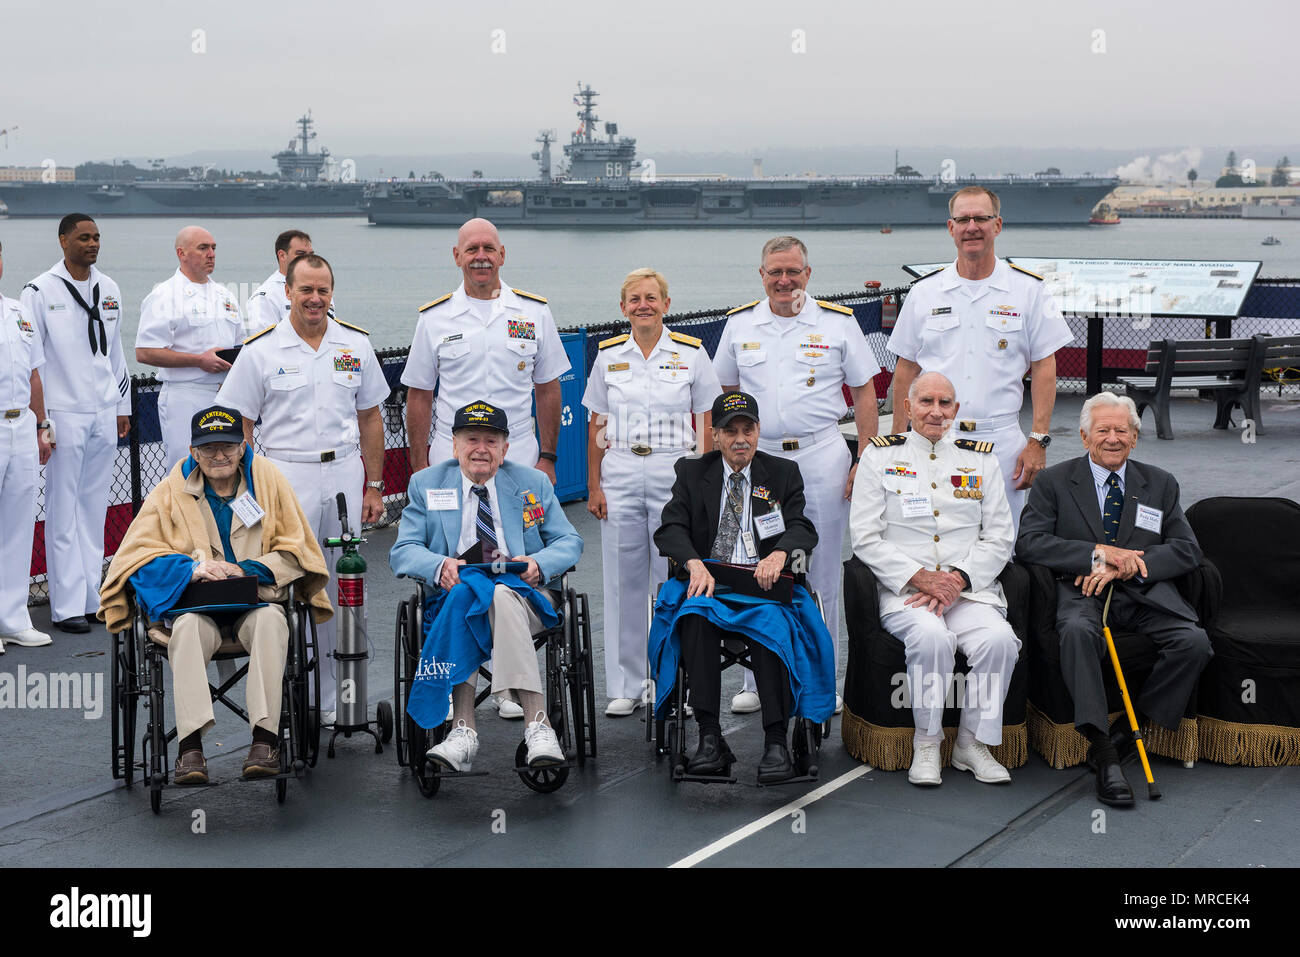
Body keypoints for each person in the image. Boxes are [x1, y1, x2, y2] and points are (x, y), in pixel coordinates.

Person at [99, 406, 332, 784]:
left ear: (243, 447)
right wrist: (190, 569)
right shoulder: (170, 490)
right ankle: (189, 749)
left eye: (227, 446)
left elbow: (298, 548)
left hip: (255, 601)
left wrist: (248, 570)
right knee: (188, 627)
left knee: (273, 623)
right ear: (193, 451)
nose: (219, 456)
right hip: (197, 606)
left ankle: (264, 741)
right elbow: (134, 557)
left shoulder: (268, 480)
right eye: (209, 449)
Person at [216, 254, 389, 723]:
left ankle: (342, 699)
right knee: (287, 585)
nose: (315, 299)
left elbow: (371, 416)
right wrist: (246, 488)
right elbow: (239, 425)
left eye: (323, 290)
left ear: (333, 293)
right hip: (284, 477)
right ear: (287, 292)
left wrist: (374, 486)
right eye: (306, 290)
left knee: (345, 584)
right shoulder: (260, 350)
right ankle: (294, 696)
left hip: (344, 476)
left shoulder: (355, 343)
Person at [1016, 392, 1212, 807]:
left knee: (1193, 643)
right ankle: (1105, 752)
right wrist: (1098, 554)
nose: (1112, 438)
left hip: (1145, 593)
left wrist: (1131, 564)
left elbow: (1186, 549)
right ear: (1085, 436)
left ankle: (1131, 727)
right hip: (1082, 590)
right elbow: (1030, 544)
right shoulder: (1054, 482)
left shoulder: (1160, 483)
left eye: (1121, 430)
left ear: (1135, 438)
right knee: (1075, 632)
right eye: (1102, 430)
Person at [713, 235, 880, 715]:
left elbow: (865, 393)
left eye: (793, 271)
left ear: (808, 273)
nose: (783, 280)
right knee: (748, 561)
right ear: (760, 274)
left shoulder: (838, 323)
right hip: (756, 458)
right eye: (774, 272)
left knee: (820, 569)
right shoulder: (740, 325)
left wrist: (864, 459)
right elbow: (727, 390)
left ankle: (819, 679)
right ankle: (752, 677)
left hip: (820, 453)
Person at [390, 401, 584, 771]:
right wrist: (439, 564)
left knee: (489, 592)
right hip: (456, 594)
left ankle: (464, 730)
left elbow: (569, 541)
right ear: (454, 445)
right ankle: (537, 725)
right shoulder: (427, 484)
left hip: (527, 598)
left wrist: (539, 562)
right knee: (476, 592)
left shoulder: (532, 484)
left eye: (491, 441)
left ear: (505, 449)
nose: (481, 448)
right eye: (472, 439)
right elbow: (403, 551)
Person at [651, 391, 834, 783]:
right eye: (729, 431)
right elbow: (670, 528)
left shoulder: (783, 473)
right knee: (694, 616)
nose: (740, 439)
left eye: (747, 429)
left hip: (760, 582)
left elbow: (802, 526)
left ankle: (775, 743)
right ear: (714, 436)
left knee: (768, 622)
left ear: (758, 431)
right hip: (711, 581)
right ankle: (710, 739)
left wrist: (780, 554)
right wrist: (694, 562)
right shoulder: (691, 472)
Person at [849, 371, 1019, 786]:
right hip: (906, 590)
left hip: (967, 591)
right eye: (926, 402)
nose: (936, 412)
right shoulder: (880, 456)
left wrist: (959, 579)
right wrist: (919, 576)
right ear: (907, 408)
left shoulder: (979, 458)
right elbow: (864, 537)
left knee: (999, 641)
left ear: (956, 410)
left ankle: (970, 744)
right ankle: (927, 743)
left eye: (945, 404)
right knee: (932, 638)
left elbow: (1000, 536)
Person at [886, 186, 1073, 531]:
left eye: (981, 218)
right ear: (950, 227)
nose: (972, 226)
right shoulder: (924, 293)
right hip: (934, 438)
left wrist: (1038, 440)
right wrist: (899, 439)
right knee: (934, 537)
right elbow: (907, 369)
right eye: (963, 219)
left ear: (997, 225)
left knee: (1007, 541)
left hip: (1001, 443)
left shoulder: (1029, 290)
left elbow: (1045, 366)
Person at [583, 268, 720, 717]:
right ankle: (625, 683)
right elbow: (597, 424)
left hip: (672, 470)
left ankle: (669, 681)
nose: (643, 305)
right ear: (623, 308)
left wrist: (702, 484)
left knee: (671, 578)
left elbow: (705, 421)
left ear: (666, 303)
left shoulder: (692, 354)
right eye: (634, 299)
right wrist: (594, 484)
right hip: (621, 467)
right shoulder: (607, 357)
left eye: (651, 297)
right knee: (622, 579)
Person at [20, 214, 131, 634]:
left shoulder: (110, 288)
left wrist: (122, 406)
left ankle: (92, 597)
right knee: (63, 510)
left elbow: (115, 352)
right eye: (84, 237)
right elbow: (36, 362)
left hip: (103, 411)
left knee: (93, 508)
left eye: (97, 237)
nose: (93, 243)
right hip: (63, 412)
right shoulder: (39, 290)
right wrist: (41, 420)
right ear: (63, 240)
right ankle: (66, 606)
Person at [401, 217, 569, 483]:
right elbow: (419, 394)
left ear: (502, 255)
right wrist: (420, 465)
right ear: (457, 256)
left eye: (489, 249)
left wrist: (547, 458)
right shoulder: (434, 318)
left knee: (522, 525)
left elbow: (548, 387)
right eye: (471, 249)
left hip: (519, 454)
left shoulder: (535, 313)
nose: (481, 257)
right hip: (452, 456)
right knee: (451, 526)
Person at [136, 225, 245, 468]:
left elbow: (240, 344)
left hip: (227, 395)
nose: (211, 254)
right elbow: (144, 351)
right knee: (188, 469)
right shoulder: (164, 295)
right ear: (181, 253)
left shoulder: (225, 295)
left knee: (228, 469)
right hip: (187, 394)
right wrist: (198, 360)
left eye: (214, 248)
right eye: (203, 248)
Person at [0, 239, 54, 652]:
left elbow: (35, 375)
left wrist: (42, 426)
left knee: (18, 526)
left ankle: (13, 618)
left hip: (22, 426)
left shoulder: (17, 312)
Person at [244, 229, 334, 331]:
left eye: (311, 254)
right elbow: (264, 341)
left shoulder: (320, 289)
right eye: (301, 254)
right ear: (282, 255)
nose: (308, 259)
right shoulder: (266, 296)